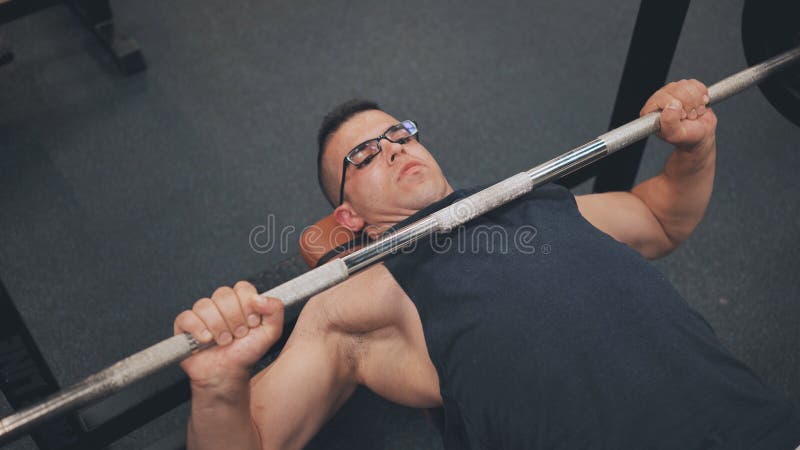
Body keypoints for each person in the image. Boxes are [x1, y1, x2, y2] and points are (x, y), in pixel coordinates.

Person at [173, 80, 800, 449]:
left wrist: (696, 146)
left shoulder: (531, 196)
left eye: (400, 135)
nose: (392, 150)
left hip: (754, 424)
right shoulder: (361, 298)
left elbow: (660, 219)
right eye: (363, 157)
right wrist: (219, 386)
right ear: (349, 219)